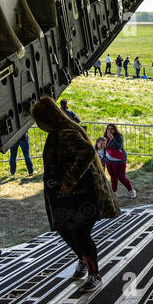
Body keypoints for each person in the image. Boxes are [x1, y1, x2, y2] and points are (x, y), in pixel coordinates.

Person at [33, 97, 118, 293]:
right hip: (72, 194)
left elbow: (87, 151)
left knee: (79, 232)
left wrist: (69, 180)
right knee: (65, 228)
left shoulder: (65, 132)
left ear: (46, 120)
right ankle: (83, 260)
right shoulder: (62, 130)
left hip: (82, 192)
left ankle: (94, 273)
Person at [100, 123, 136, 198]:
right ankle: (114, 192)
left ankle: (131, 191)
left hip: (119, 160)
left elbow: (117, 147)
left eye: (112, 129)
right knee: (113, 176)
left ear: (115, 130)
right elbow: (103, 148)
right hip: (109, 160)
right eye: (108, 129)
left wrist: (112, 138)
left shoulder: (119, 136)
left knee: (121, 177)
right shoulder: (105, 137)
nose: (110, 130)